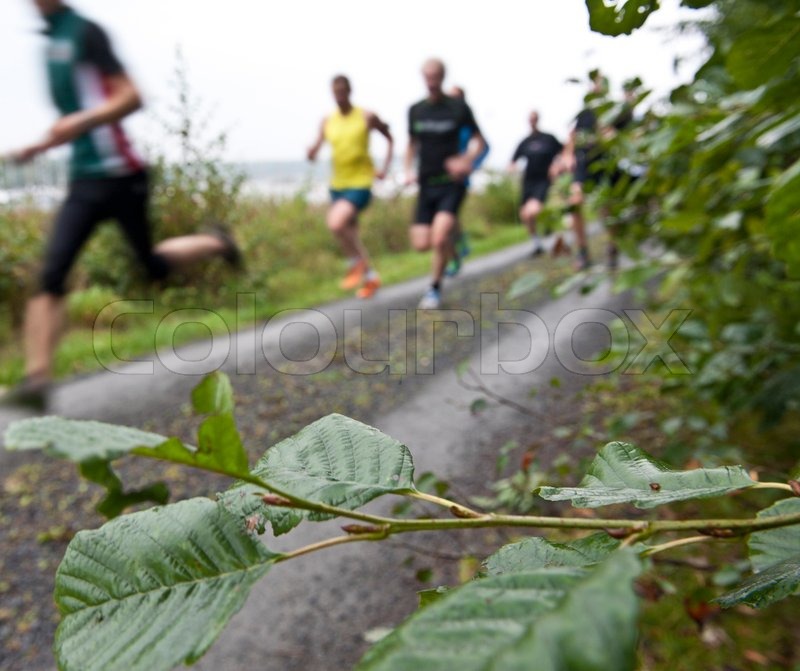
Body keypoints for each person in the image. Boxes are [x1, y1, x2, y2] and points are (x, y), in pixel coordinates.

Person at [2, 0, 241, 410]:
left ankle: (216, 242)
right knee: (53, 271)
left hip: (124, 175)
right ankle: (36, 380)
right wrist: (38, 146)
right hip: (84, 178)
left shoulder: (85, 33)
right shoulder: (50, 42)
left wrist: (81, 122)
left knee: (150, 266)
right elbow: (73, 119)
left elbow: (131, 97)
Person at [405, 59, 486, 309]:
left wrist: (466, 160)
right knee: (421, 244)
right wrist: (407, 170)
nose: (431, 81)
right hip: (426, 184)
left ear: (442, 77)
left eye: (435, 76)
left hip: (452, 184)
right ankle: (453, 251)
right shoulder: (416, 110)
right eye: (427, 76)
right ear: (422, 77)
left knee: (438, 239)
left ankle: (434, 290)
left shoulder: (458, 108)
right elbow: (411, 144)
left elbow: (480, 141)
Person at [307, 75, 393, 299]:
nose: (340, 96)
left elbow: (389, 138)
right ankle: (370, 278)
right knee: (351, 236)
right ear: (332, 93)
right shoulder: (328, 121)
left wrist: (384, 168)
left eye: (343, 91)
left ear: (350, 91)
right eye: (336, 92)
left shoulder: (366, 116)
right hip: (338, 185)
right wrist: (312, 152)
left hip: (361, 183)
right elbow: (316, 148)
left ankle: (354, 265)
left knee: (336, 223)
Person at [558, 70, 609, 271]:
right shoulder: (585, 113)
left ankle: (613, 246)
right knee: (574, 203)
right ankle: (582, 252)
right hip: (583, 165)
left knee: (607, 209)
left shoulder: (613, 110)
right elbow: (572, 135)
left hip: (605, 165)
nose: (595, 87)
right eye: (593, 83)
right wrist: (568, 155)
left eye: (599, 84)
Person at [444, 85, 490, 277]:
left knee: (449, 215)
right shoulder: (443, 119)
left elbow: (484, 146)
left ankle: (457, 252)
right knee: (446, 219)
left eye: (456, 98)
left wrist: (471, 164)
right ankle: (458, 246)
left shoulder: (467, 122)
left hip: (459, 176)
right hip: (439, 176)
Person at [507, 110, 563, 257]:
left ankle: (549, 226)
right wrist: (511, 167)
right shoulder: (525, 142)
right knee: (525, 215)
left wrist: (557, 165)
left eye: (534, 118)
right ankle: (537, 243)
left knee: (534, 210)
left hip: (543, 179)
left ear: (538, 119)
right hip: (528, 181)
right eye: (530, 119)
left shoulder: (548, 138)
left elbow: (563, 153)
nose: (532, 121)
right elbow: (513, 159)